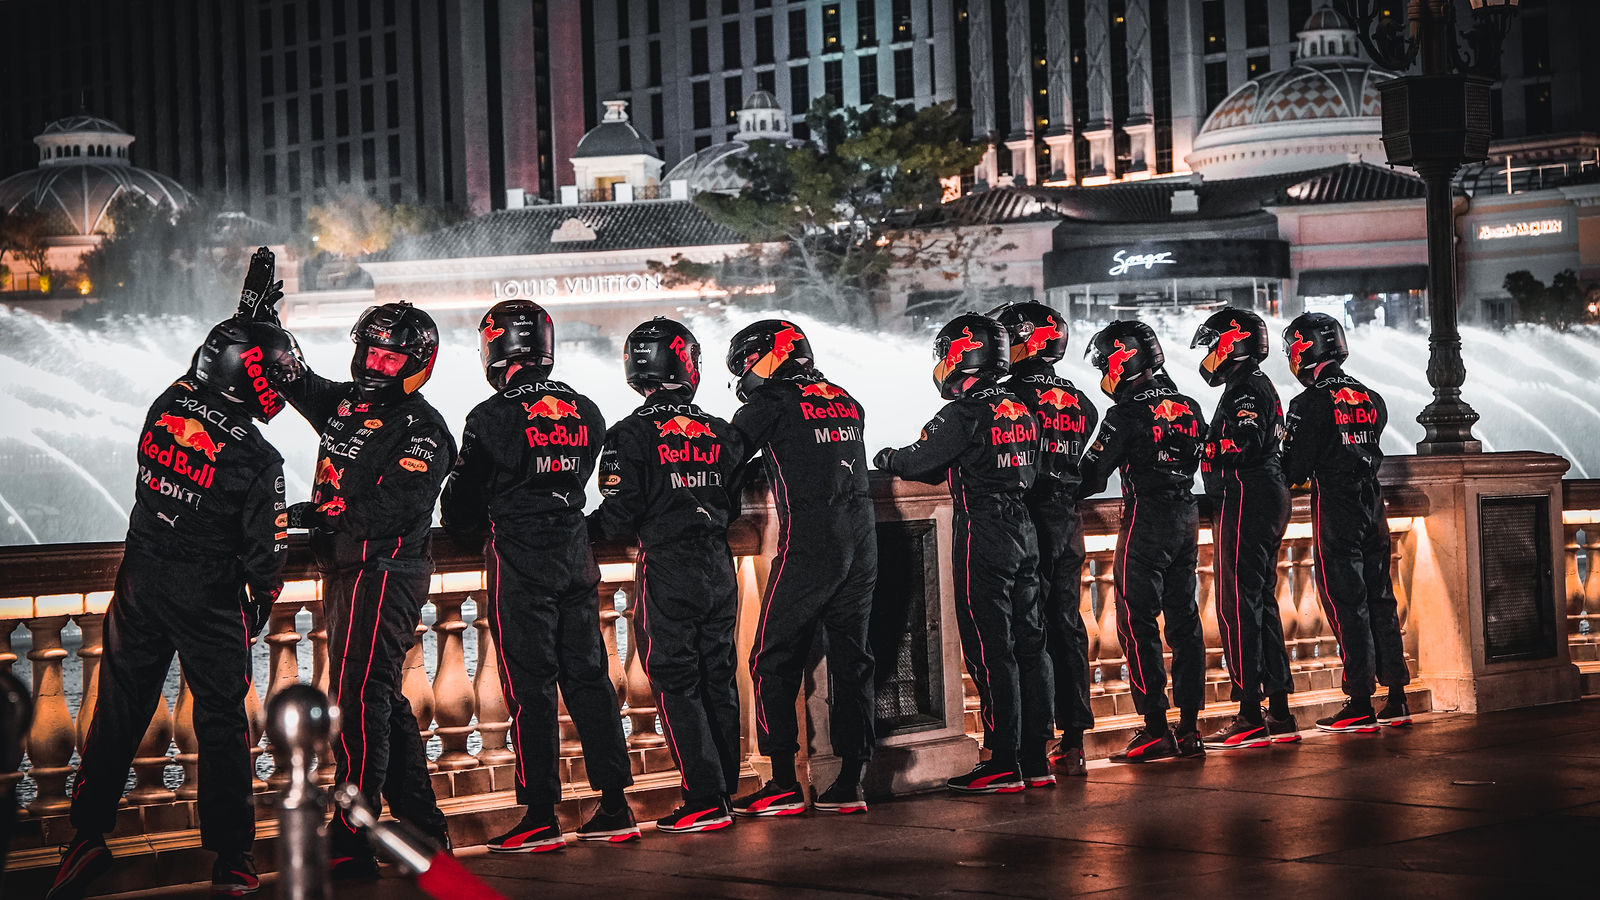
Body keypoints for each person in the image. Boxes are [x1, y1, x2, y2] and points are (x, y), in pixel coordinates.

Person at [46, 311, 299, 900]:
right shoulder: (261, 460)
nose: (279, 384)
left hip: (140, 578)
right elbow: (267, 556)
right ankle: (233, 857)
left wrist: (249, 319)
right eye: (273, 374)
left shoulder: (168, 404)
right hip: (207, 596)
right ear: (250, 378)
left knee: (118, 709)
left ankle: (83, 838)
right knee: (221, 720)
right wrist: (260, 598)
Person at [440, 300, 639, 851]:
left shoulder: (490, 416)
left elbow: (460, 508)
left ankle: (540, 814)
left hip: (521, 557)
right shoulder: (587, 409)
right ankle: (616, 804)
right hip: (577, 553)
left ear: (493, 347)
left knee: (529, 687)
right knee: (590, 681)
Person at [274, 300, 457, 878]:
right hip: (346, 571)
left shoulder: (423, 429)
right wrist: (260, 324)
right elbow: (292, 377)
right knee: (377, 697)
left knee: (359, 697)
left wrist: (322, 513)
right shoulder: (347, 405)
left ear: (417, 363)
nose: (378, 363)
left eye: (391, 355)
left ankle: (353, 830)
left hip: (386, 571)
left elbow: (395, 505)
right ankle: (426, 831)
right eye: (371, 351)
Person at [874, 313, 1054, 793]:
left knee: (990, 647)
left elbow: (918, 460)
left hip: (985, 531)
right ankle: (1036, 757)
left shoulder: (964, 411)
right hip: (1024, 528)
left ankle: (1002, 760)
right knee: (1031, 647)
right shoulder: (1020, 405)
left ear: (957, 356)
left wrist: (887, 457)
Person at [587, 318, 746, 833]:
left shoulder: (629, 435)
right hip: (720, 567)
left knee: (675, 682)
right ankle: (724, 787)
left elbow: (617, 516)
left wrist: (577, 528)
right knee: (718, 677)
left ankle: (704, 798)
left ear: (637, 368)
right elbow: (734, 505)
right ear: (689, 365)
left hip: (668, 568)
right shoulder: (724, 432)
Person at [724, 319, 876, 817]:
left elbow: (720, 462)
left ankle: (784, 784)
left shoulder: (767, 405)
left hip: (811, 544)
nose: (745, 375)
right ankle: (851, 782)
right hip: (863, 541)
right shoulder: (845, 397)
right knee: (853, 663)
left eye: (746, 363)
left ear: (765, 358)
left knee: (771, 659)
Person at [1077, 320, 1206, 763]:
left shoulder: (1125, 413)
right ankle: (1190, 729)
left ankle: (1154, 727)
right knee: (1185, 622)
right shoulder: (1188, 405)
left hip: (1146, 518)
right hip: (1187, 517)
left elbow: (1092, 474)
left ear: (1120, 361)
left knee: (1136, 624)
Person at [1281, 312, 1412, 733]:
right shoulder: (1371, 397)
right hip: (1373, 504)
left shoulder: (1308, 403)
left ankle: (1358, 701)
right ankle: (1397, 695)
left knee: (1345, 602)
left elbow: (1294, 466)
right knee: (1381, 597)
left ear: (1306, 350)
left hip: (1335, 503)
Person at [992, 302, 1097, 777]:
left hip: (1027, 521)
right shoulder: (1080, 399)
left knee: (1025, 633)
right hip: (1068, 519)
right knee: (1068, 626)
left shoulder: (1009, 396)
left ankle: (1029, 742)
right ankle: (1073, 742)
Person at [1190, 308, 1299, 749]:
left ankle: (1249, 713)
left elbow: (1246, 442)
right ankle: (1278, 710)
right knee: (1260, 604)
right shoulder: (1254, 384)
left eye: (1214, 345)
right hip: (1262, 495)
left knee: (1237, 607)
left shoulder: (1246, 390)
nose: (1210, 355)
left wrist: (1198, 441)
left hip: (1245, 497)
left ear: (1232, 345)